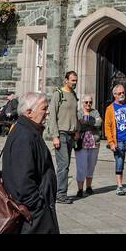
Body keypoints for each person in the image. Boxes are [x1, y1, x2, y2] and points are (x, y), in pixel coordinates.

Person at [0, 92, 60, 234]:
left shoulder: (28, 130)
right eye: (44, 108)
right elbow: (22, 179)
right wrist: (38, 206)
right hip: (32, 215)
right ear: (29, 112)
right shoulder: (24, 135)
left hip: (35, 211)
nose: (47, 112)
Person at [45, 70, 80, 204]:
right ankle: (60, 194)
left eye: (76, 80)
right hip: (61, 134)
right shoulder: (57, 94)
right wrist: (55, 136)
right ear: (66, 80)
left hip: (71, 135)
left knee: (66, 165)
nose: (75, 83)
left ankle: (60, 192)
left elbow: (75, 115)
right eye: (73, 80)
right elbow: (52, 116)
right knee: (63, 165)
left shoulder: (73, 94)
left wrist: (77, 130)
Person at [74, 95, 101, 198]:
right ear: (83, 103)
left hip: (94, 142)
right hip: (81, 143)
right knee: (81, 166)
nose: (88, 104)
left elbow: (99, 123)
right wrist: (91, 123)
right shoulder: (78, 113)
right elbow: (77, 125)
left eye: (90, 102)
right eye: (86, 102)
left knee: (91, 165)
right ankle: (80, 189)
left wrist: (86, 122)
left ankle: (89, 187)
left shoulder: (95, 112)